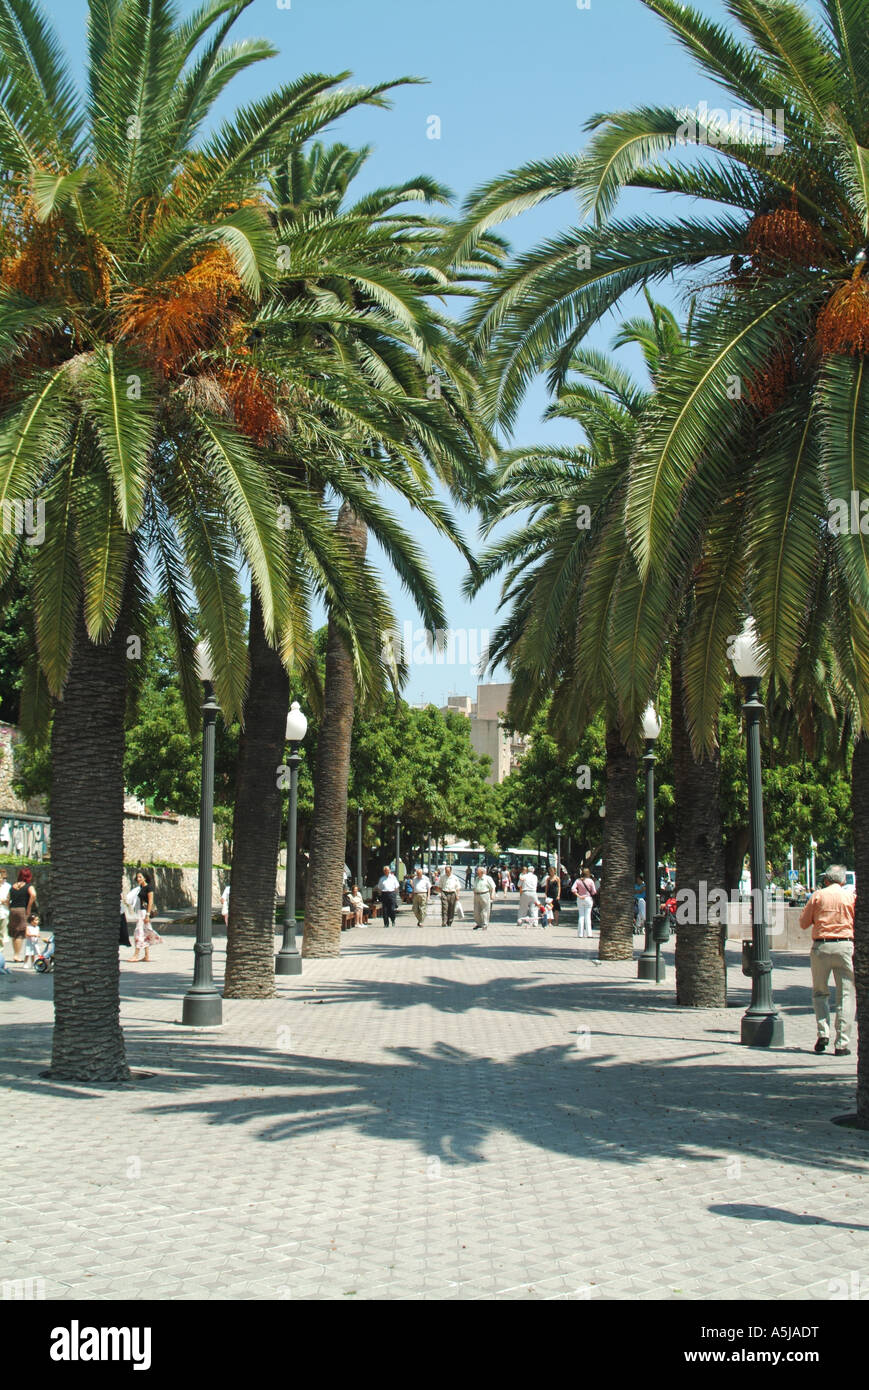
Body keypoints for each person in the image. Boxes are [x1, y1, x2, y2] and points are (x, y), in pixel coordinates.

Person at [799, 864, 856, 1056]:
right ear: (843, 880)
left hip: (821, 947)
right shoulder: (850, 897)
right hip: (845, 946)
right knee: (846, 995)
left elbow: (803, 923)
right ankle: (841, 1043)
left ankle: (823, 1033)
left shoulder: (818, 896)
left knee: (820, 992)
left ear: (826, 880)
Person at [129, 871, 161, 962]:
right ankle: (146, 956)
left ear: (145, 878)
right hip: (139, 912)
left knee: (138, 932)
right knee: (145, 933)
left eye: (140, 877)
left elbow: (150, 902)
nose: (138, 879)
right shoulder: (140, 888)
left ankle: (136, 955)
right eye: (137, 877)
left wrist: (147, 915)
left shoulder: (149, 888)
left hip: (144, 913)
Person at [8, 868, 36, 963]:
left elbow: (8, 898)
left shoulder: (13, 886)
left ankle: (15, 953)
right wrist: (28, 907)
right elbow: (33, 895)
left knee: (14, 932)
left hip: (12, 909)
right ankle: (16, 955)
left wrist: (9, 907)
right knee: (20, 932)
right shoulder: (29, 886)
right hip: (21, 910)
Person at [572, 866, 597, 938]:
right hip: (588, 899)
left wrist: (578, 895)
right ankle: (589, 933)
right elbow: (594, 892)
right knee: (588, 916)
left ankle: (580, 933)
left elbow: (573, 889)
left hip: (580, 899)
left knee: (581, 916)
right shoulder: (590, 881)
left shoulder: (578, 880)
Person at [472, 865, 496, 930]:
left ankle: (485, 924)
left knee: (485, 911)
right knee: (476, 911)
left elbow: (493, 887)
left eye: (478, 871)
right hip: (477, 895)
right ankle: (479, 924)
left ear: (482, 872)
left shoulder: (488, 878)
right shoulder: (477, 878)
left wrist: (492, 894)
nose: (477, 872)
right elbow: (474, 887)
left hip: (485, 894)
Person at [0, 868, 9, 949]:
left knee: (2, 933)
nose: (3, 879)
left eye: (5, 878)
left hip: (4, 912)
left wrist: (5, 901)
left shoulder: (8, 886)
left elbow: (10, 899)